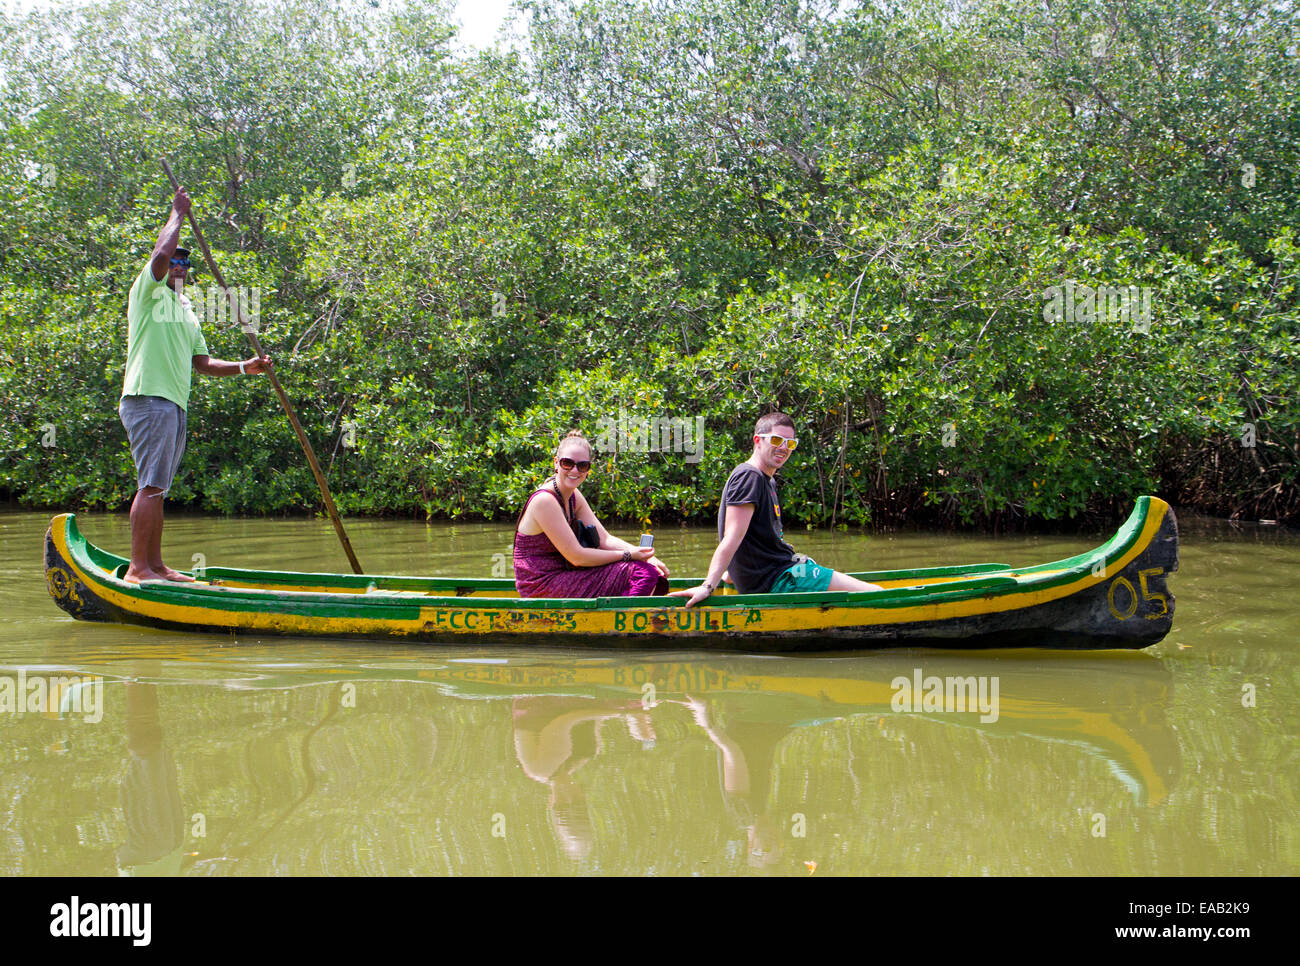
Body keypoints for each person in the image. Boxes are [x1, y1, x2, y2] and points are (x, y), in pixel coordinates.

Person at [119, 187, 272, 583]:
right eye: (174, 260)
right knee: (150, 486)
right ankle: (138, 570)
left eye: (184, 262)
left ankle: (156, 566)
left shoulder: (186, 310)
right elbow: (157, 256)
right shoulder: (147, 293)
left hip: (173, 403)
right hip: (147, 398)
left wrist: (246, 366)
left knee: (159, 489)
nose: (178, 265)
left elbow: (201, 363)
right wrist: (177, 214)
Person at [672, 412, 882, 607]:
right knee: (876, 593)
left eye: (790, 443)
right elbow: (732, 537)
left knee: (861, 588)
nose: (784, 447)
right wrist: (708, 586)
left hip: (785, 570)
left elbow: (757, 539)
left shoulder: (767, 480)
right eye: (776, 440)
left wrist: (733, 572)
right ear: (758, 440)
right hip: (778, 580)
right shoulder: (749, 477)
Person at [513, 430, 670, 598]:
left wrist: (644, 556)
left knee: (652, 572)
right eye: (568, 463)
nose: (574, 470)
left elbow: (605, 539)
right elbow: (577, 557)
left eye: (582, 465)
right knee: (642, 573)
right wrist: (629, 555)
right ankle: (619, 621)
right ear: (556, 463)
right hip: (541, 586)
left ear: (588, 469)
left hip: (565, 576)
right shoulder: (545, 501)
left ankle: (616, 617)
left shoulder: (573, 496)